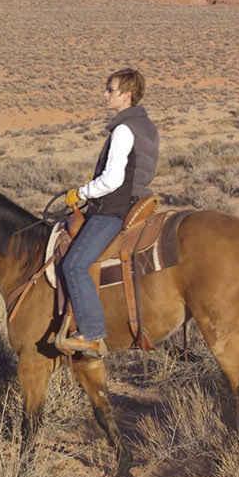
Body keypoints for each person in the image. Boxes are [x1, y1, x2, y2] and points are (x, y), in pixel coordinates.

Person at [56, 68, 159, 355]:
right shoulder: (146, 125)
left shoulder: (124, 129)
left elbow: (113, 180)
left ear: (126, 96)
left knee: (74, 265)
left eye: (110, 90)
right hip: (136, 201)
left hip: (115, 208)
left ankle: (90, 333)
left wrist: (81, 192)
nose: (105, 95)